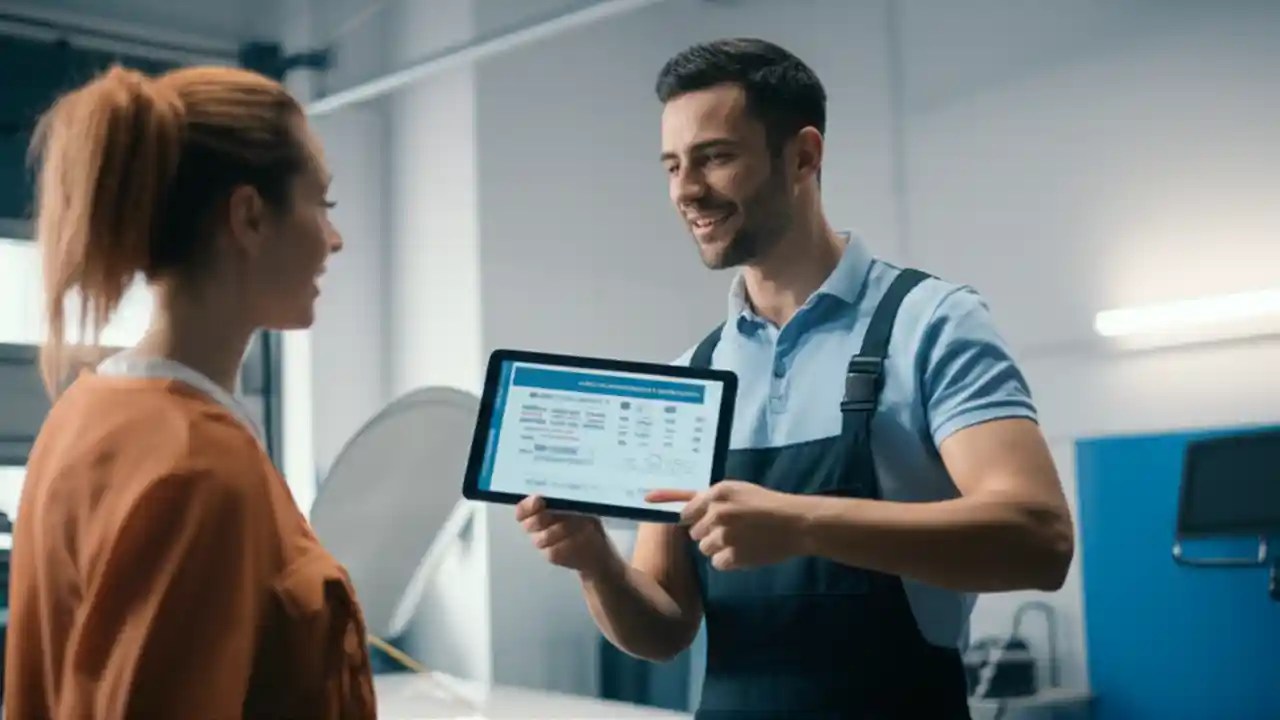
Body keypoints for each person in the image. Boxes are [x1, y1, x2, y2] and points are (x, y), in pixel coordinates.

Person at [516, 38, 1074, 718]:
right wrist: (594, 561)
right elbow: (663, 628)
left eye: (716, 157)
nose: (687, 191)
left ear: (804, 156)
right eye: (673, 165)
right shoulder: (694, 373)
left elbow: (1039, 541)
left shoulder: (931, 324)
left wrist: (806, 524)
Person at [5, 64, 377, 719]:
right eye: (322, 203)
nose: (335, 238)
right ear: (250, 216)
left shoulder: (84, 414)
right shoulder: (203, 469)